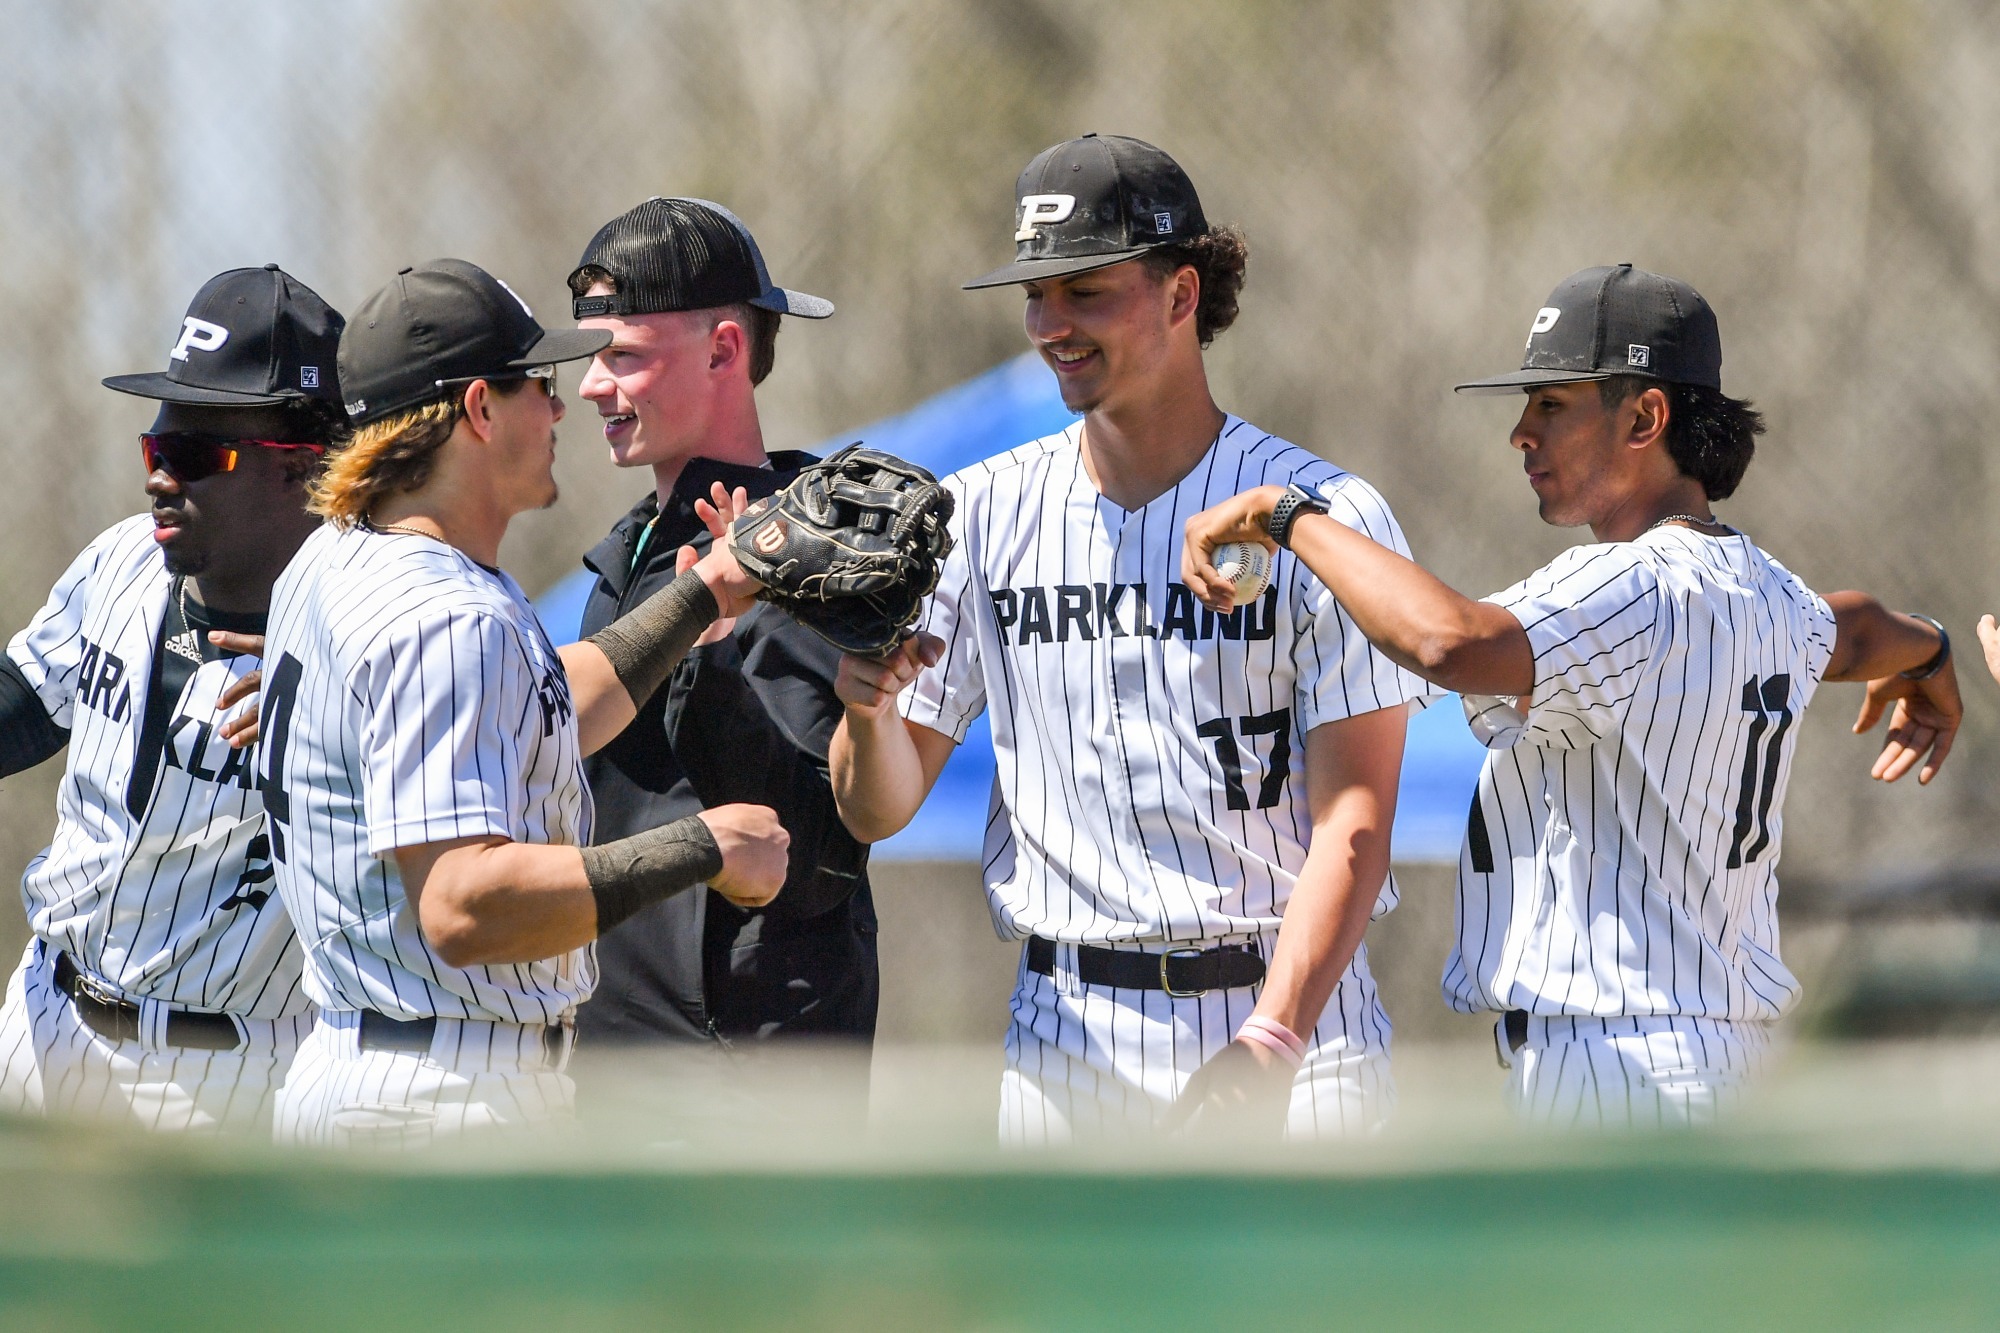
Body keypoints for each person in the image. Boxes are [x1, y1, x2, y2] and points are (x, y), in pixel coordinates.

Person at [1183, 263, 1963, 1127]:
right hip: (1718, 1059)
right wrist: (1929, 649)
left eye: (1553, 404)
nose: (1521, 432)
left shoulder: (1630, 585)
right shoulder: (1766, 588)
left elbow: (1448, 641)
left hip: (1618, 1065)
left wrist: (1292, 517)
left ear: (1645, 417)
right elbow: (1851, 630)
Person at [830, 135, 1431, 1143]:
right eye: (1035, 295)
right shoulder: (975, 513)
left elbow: (1356, 821)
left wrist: (1274, 1037)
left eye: (1085, 291)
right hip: (1067, 1029)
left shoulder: (1325, 515)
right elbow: (877, 807)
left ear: (1179, 293)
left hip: (1286, 1017)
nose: (1050, 324)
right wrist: (865, 708)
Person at [258, 259, 787, 1147]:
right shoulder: (444, 616)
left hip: (373, 1062)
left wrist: (703, 595)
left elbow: (541, 705)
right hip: (439, 1100)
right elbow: (464, 904)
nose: (559, 406)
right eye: (535, 385)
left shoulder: (336, 559)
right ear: (477, 410)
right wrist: (701, 847)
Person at [0, 266, 343, 1132]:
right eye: (156, 447)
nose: (159, 476)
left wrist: (348, 702)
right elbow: (20, 709)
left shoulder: (366, 621)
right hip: (43, 1020)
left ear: (300, 469)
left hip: (226, 1072)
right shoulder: (122, 559)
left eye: (194, 454)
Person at [564, 198, 881, 1057]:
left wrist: (711, 666)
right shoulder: (633, 554)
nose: (593, 383)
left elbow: (813, 853)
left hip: (742, 1093)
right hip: (612, 1069)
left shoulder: (817, 551)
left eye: (623, 354)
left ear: (723, 349)